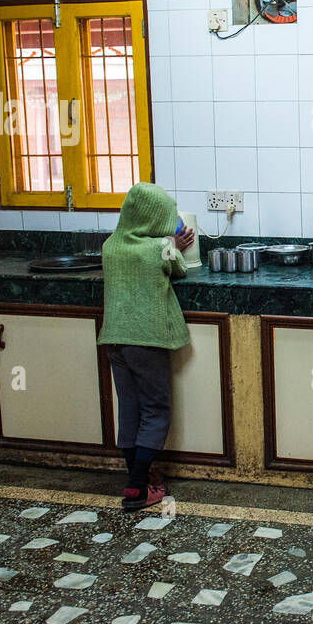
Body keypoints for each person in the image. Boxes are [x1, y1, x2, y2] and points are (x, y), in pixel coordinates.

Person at [99, 182, 195, 511]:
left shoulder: (110, 245)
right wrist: (175, 245)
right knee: (156, 410)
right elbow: (178, 269)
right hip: (147, 341)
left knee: (130, 409)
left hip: (114, 339)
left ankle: (139, 477)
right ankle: (138, 488)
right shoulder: (157, 249)